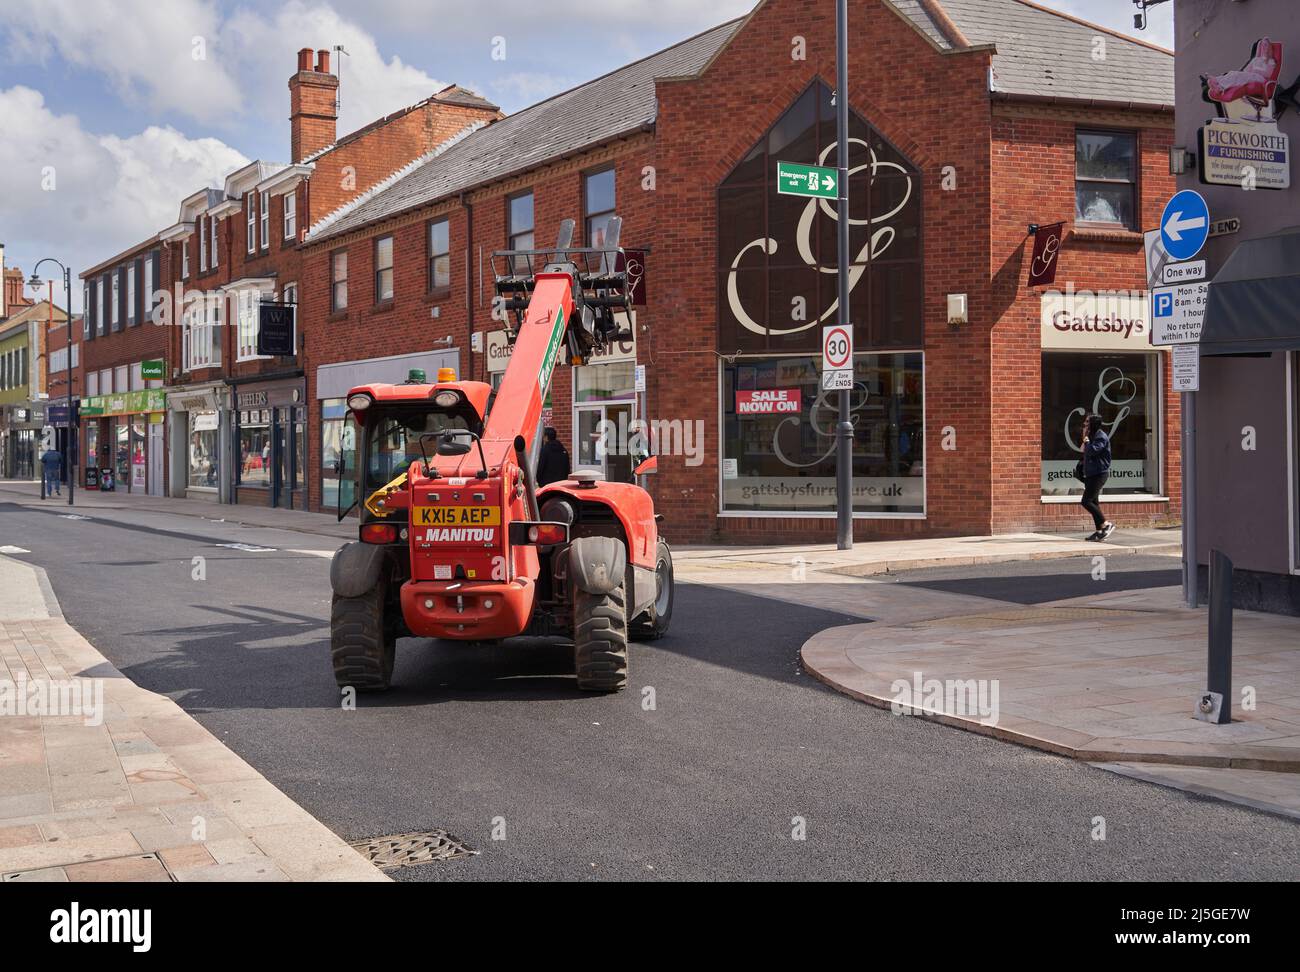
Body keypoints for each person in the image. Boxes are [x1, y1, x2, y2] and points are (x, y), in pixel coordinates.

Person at [1080, 413, 1114, 542]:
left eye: (1087, 422)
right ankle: (1099, 531)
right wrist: (1085, 437)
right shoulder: (1092, 436)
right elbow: (1082, 450)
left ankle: (1106, 524)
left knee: (1086, 501)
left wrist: (1087, 441)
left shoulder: (1101, 436)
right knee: (1093, 502)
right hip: (1091, 474)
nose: (1085, 424)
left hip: (1099, 474)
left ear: (1093, 423)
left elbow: (1092, 451)